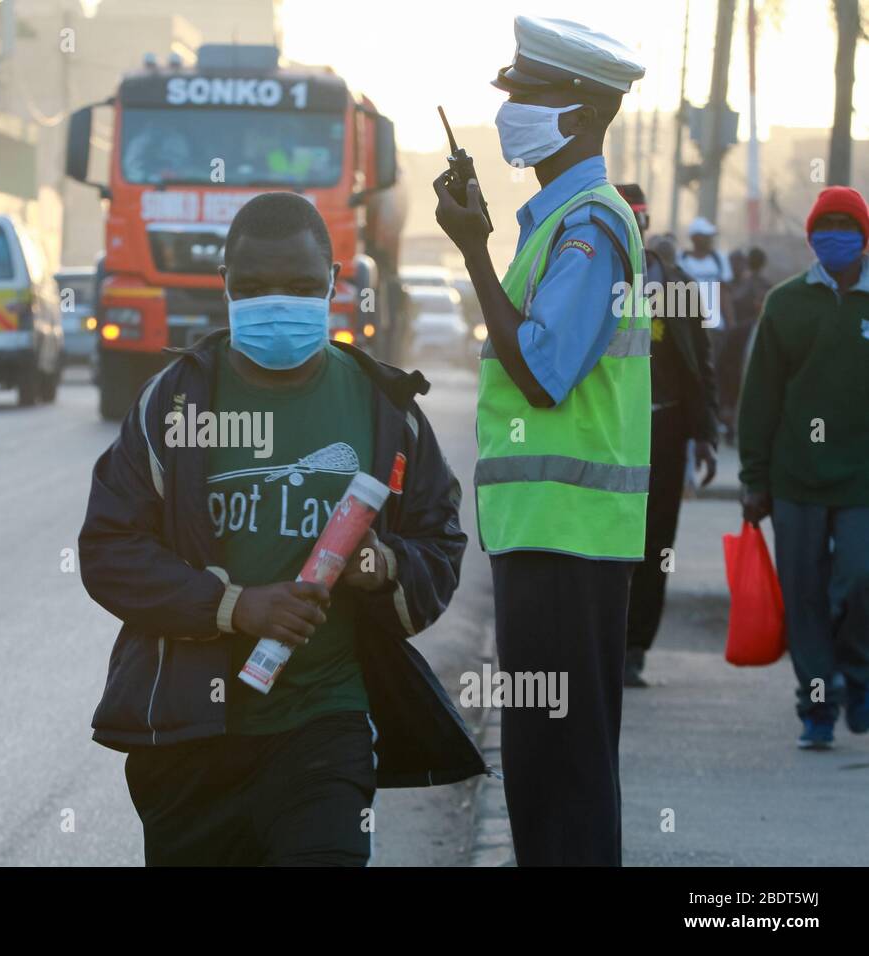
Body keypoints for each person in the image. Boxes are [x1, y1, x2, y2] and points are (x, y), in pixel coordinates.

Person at [80, 191, 483, 867]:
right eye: (255, 286)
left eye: (300, 286)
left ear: (333, 283)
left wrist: (383, 566)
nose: (278, 302)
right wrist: (237, 608)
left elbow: (439, 543)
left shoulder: (384, 407)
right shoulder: (173, 403)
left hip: (324, 726)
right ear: (226, 287)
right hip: (189, 737)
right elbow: (109, 550)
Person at [434, 15, 649, 866]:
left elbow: (541, 369)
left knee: (563, 776)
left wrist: (474, 253)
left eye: (531, 95)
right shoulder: (555, 221)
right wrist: (488, 243)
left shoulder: (588, 227)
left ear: (585, 112)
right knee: (537, 772)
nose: (512, 111)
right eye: (513, 93)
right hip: (545, 538)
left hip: (571, 543)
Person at [738, 185, 869, 750]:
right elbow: (760, 395)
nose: (835, 234)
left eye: (847, 224)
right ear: (811, 235)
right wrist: (753, 478)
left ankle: (857, 679)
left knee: (859, 581)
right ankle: (817, 706)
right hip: (795, 480)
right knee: (805, 597)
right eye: (826, 225)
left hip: (862, 480)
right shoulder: (786, 303)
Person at [614, 185, 720, 688]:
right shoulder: (590, 277)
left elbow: (701, 362)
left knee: (656, 544)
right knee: (611, 540)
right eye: (624, 215)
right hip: (609, 433)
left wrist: (705, 433)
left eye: (640, 216)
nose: (633, 225)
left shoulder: (675, 286)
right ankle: (604, 641)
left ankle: (635, 648)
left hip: (666, 430)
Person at [720, 246, 770, 442]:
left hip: (739, 338)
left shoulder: (742, 286)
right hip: (752, 336)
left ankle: (733, 423)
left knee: (735, 379)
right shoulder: (767, 286)